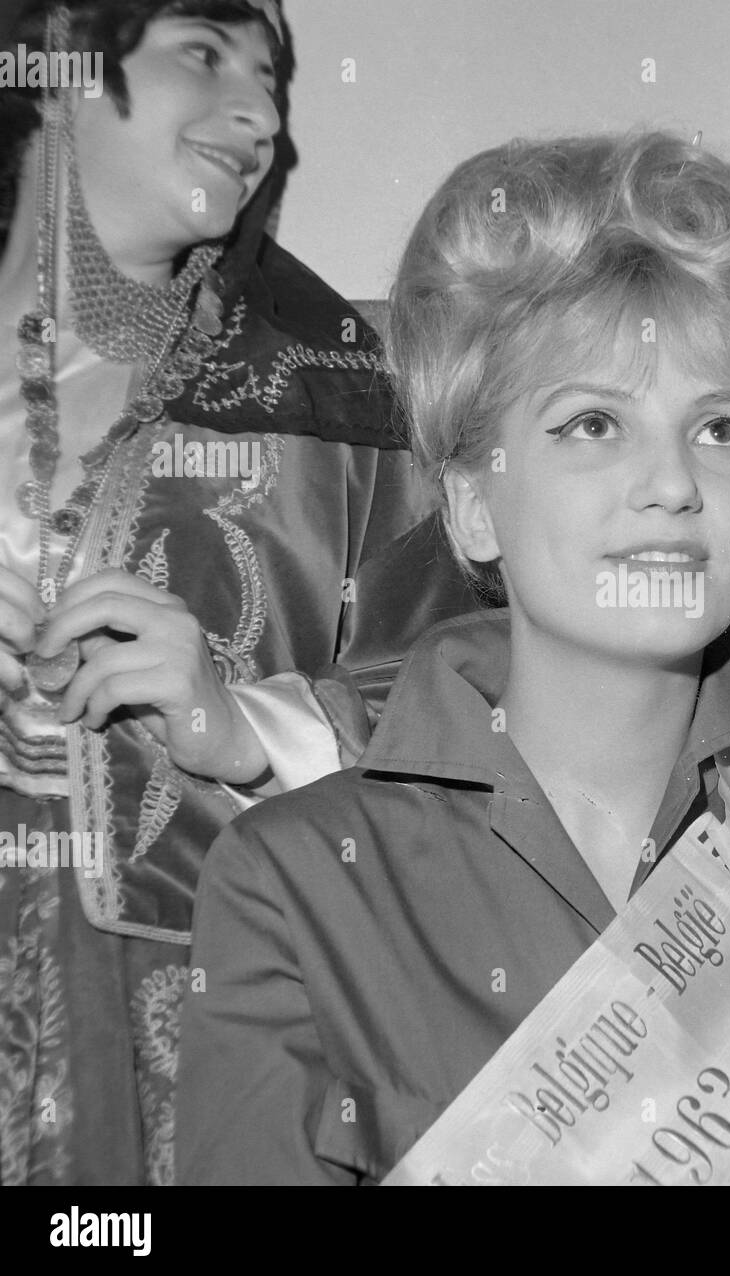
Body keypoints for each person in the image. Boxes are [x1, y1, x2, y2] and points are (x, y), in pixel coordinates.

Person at [176, 132, 730, 1186]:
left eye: (718, 427)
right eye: (592, 421)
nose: (672, 482)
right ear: (474, 503)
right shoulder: (295, 886)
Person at [0, 0, 469, 1185]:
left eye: (272, 79)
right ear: (55, 64)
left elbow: (456, 703)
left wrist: (239, 725)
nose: (260, 117)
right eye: (202, 56)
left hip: (207, 998)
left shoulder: (329, 392)